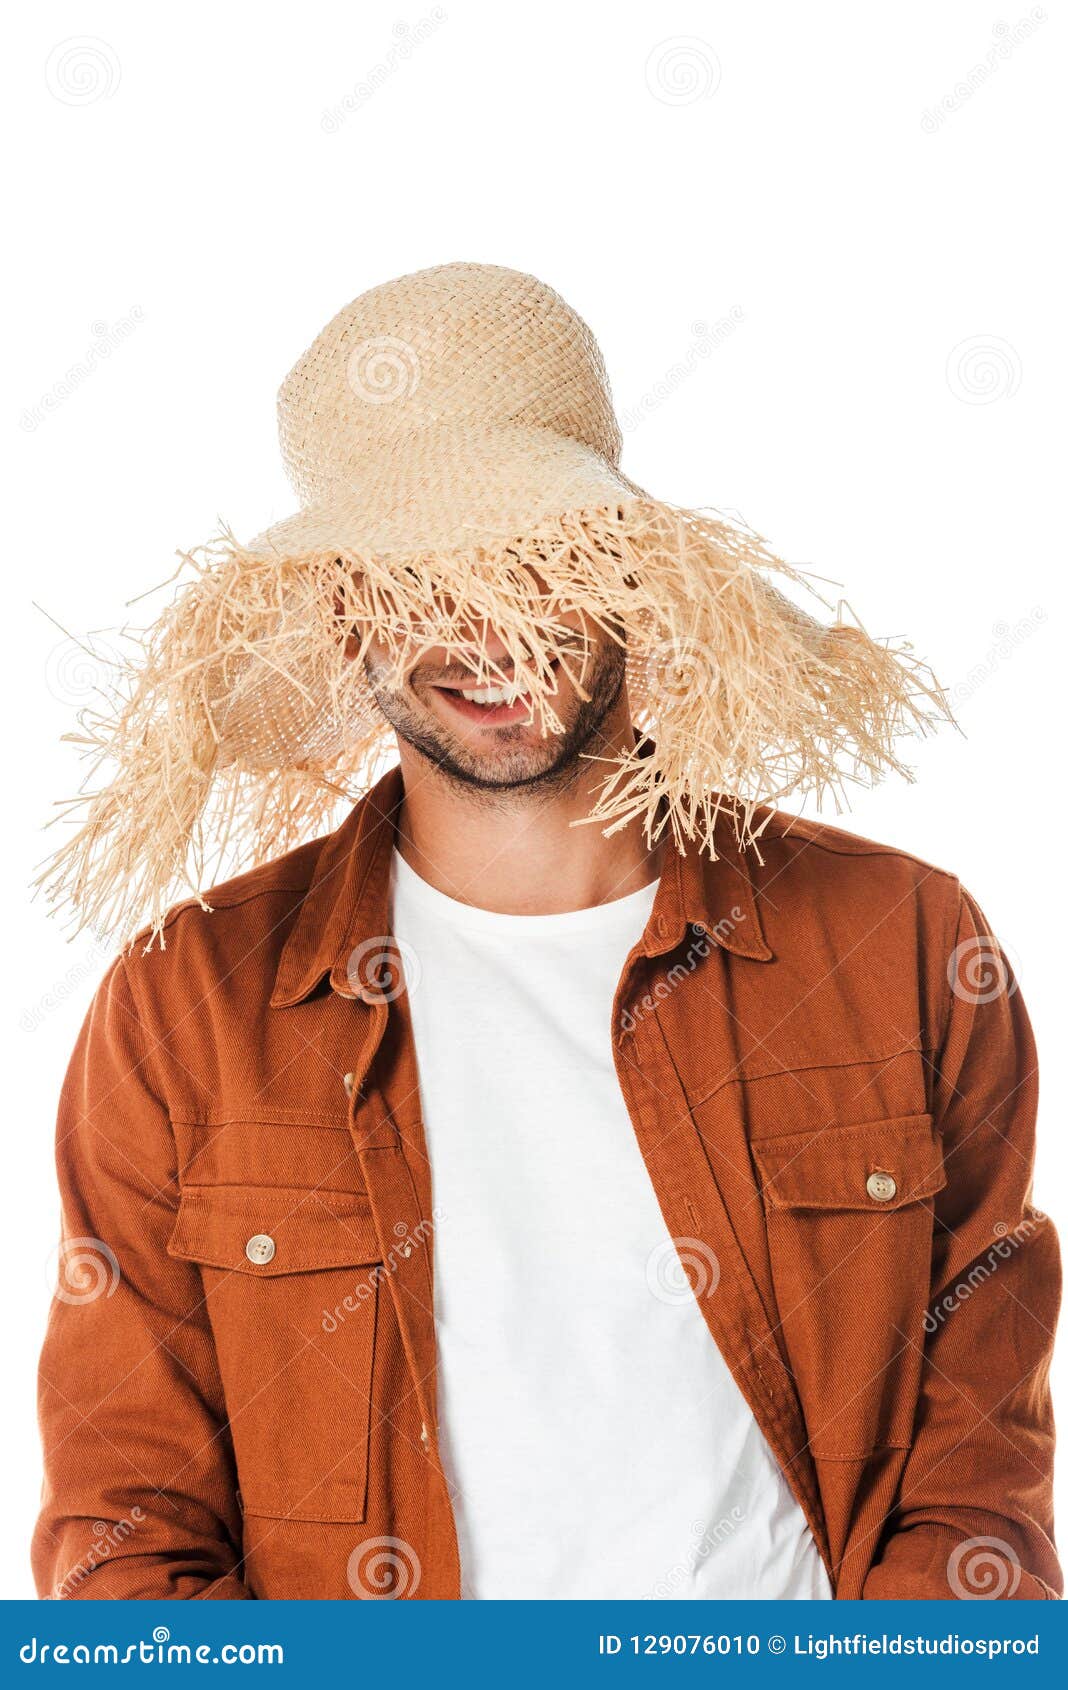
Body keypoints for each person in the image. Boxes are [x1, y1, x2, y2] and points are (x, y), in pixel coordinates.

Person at [33, 264, 1059, 1600]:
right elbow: (131, 1528)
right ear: (349, 616)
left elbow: (974, 1463)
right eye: (417, 574)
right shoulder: (194, 1005)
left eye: (537, 559)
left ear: (630, 570)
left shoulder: (900, 944)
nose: (484, 630)